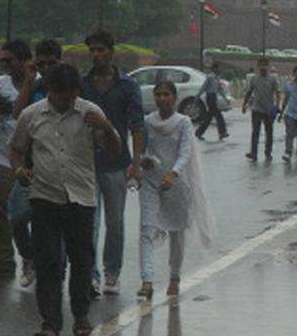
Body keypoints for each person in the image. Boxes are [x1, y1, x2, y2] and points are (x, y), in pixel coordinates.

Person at [10, 63, 121, 336]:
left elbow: (115, 150)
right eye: (62, 96)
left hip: (81, 197)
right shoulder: (31, 115)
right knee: (47, 261)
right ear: (51, 92)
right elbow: (16, 148)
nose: (67, 101)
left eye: (72, 95)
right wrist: (20, 169)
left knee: (81, 259)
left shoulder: (89, 113)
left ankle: (81, 316)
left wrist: (107, 128)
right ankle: (50, 322)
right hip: (44, 196)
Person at [137, 80, 215, 300]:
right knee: (146, 228)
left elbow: (185, 152)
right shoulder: (147, 122)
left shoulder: (183, 123)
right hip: (152, 182)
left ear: (175, 97)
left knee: (177, 233)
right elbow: (141, 148)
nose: (162, 99)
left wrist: (174, 173)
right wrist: (144, 160)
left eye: (166, 94)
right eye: (158, 94)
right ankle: (147, 280)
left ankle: (175, 276)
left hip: (177, 185)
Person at [81, 31, 145, 298]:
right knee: (89, 224)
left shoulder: (127, 86)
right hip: (86, 163)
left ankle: (112, 271)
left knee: (115, 223)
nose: (96, 55)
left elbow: (137, 126)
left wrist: (137, 163)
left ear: (111, 51)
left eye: (101, 50)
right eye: (92, 51)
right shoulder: (83, 85)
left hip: (117, 163)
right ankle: (90, 274)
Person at [0, 39, 38, 288]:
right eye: (2, 61)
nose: (5, 65)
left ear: (24, 61)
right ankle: (5, 260)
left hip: (35, 159)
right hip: (4, 156)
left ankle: (31, 256)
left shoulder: (40, 83)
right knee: (0, 210)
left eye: (9, 60)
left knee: (28, 213)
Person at [242, 58, 280, 161]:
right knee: (255, 132)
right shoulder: (254, 79)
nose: (263, 67)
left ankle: (268, 152)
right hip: (256, 109)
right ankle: (253, 153)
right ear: (258, 67)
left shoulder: (272, 79)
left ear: (268, 67)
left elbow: (277, 92)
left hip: (269, 109)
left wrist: (277, 106)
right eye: (261, 65)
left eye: (265, 65)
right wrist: (244, 104)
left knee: (269, 132)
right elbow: (250, 92)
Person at [194, 64, 228, 141]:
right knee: (218, 115)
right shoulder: (210, 77)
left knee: (208, 118)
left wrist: (225, 98)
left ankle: (199, 132)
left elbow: (220, 89)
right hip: (210, 97)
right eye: (218, 68)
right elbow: (203, 87)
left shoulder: (217, 78)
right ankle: (222, 132)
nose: (219, 70)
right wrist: (197, 97)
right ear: (214, 69)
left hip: (214, 97)